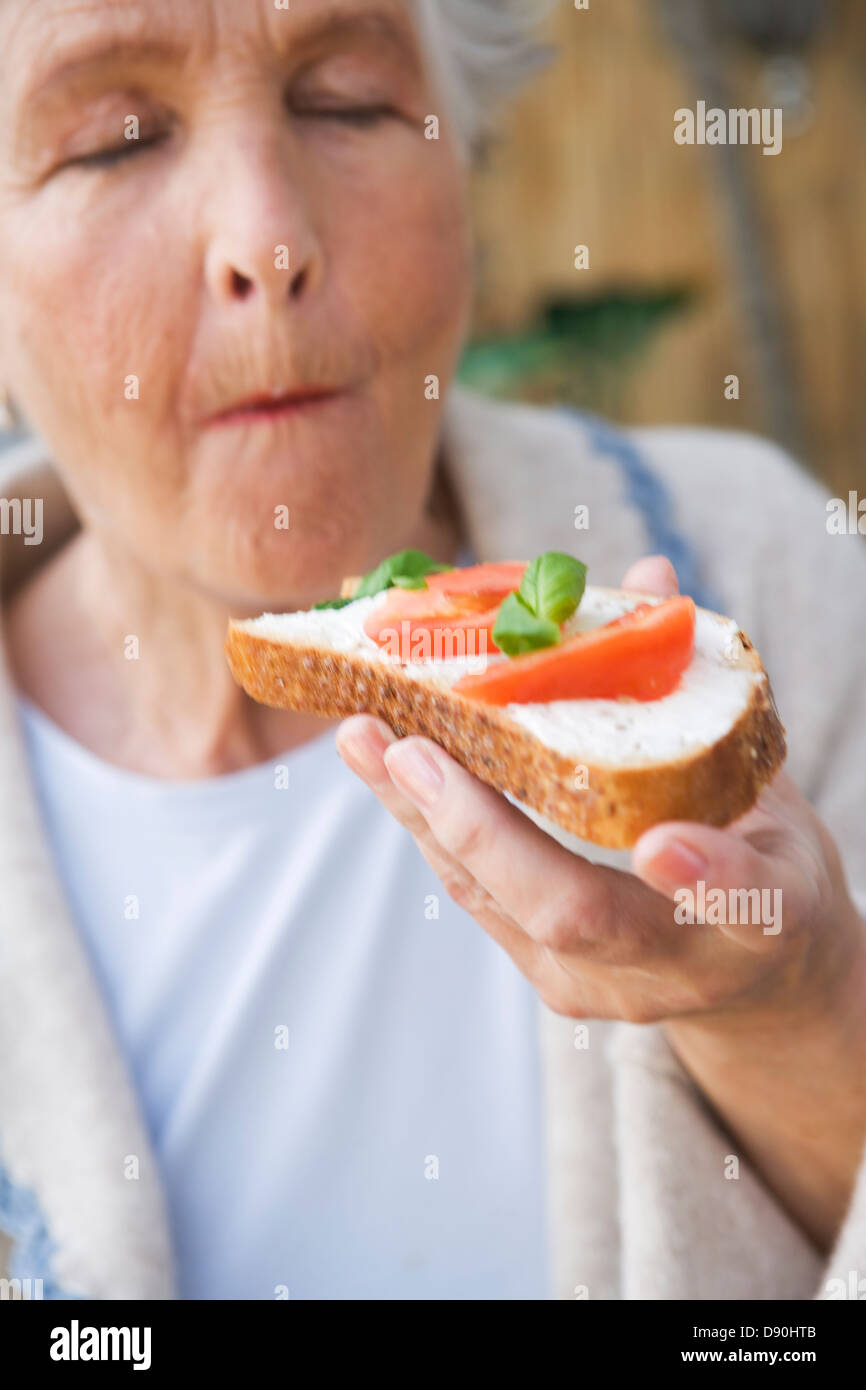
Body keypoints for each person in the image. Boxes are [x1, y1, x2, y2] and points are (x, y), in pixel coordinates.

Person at [0, 0, 864, 1301]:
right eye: (117, 140)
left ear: (462, 152)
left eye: (345, 99)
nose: (269, 239)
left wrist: (790, 1012)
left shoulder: (762, 574)